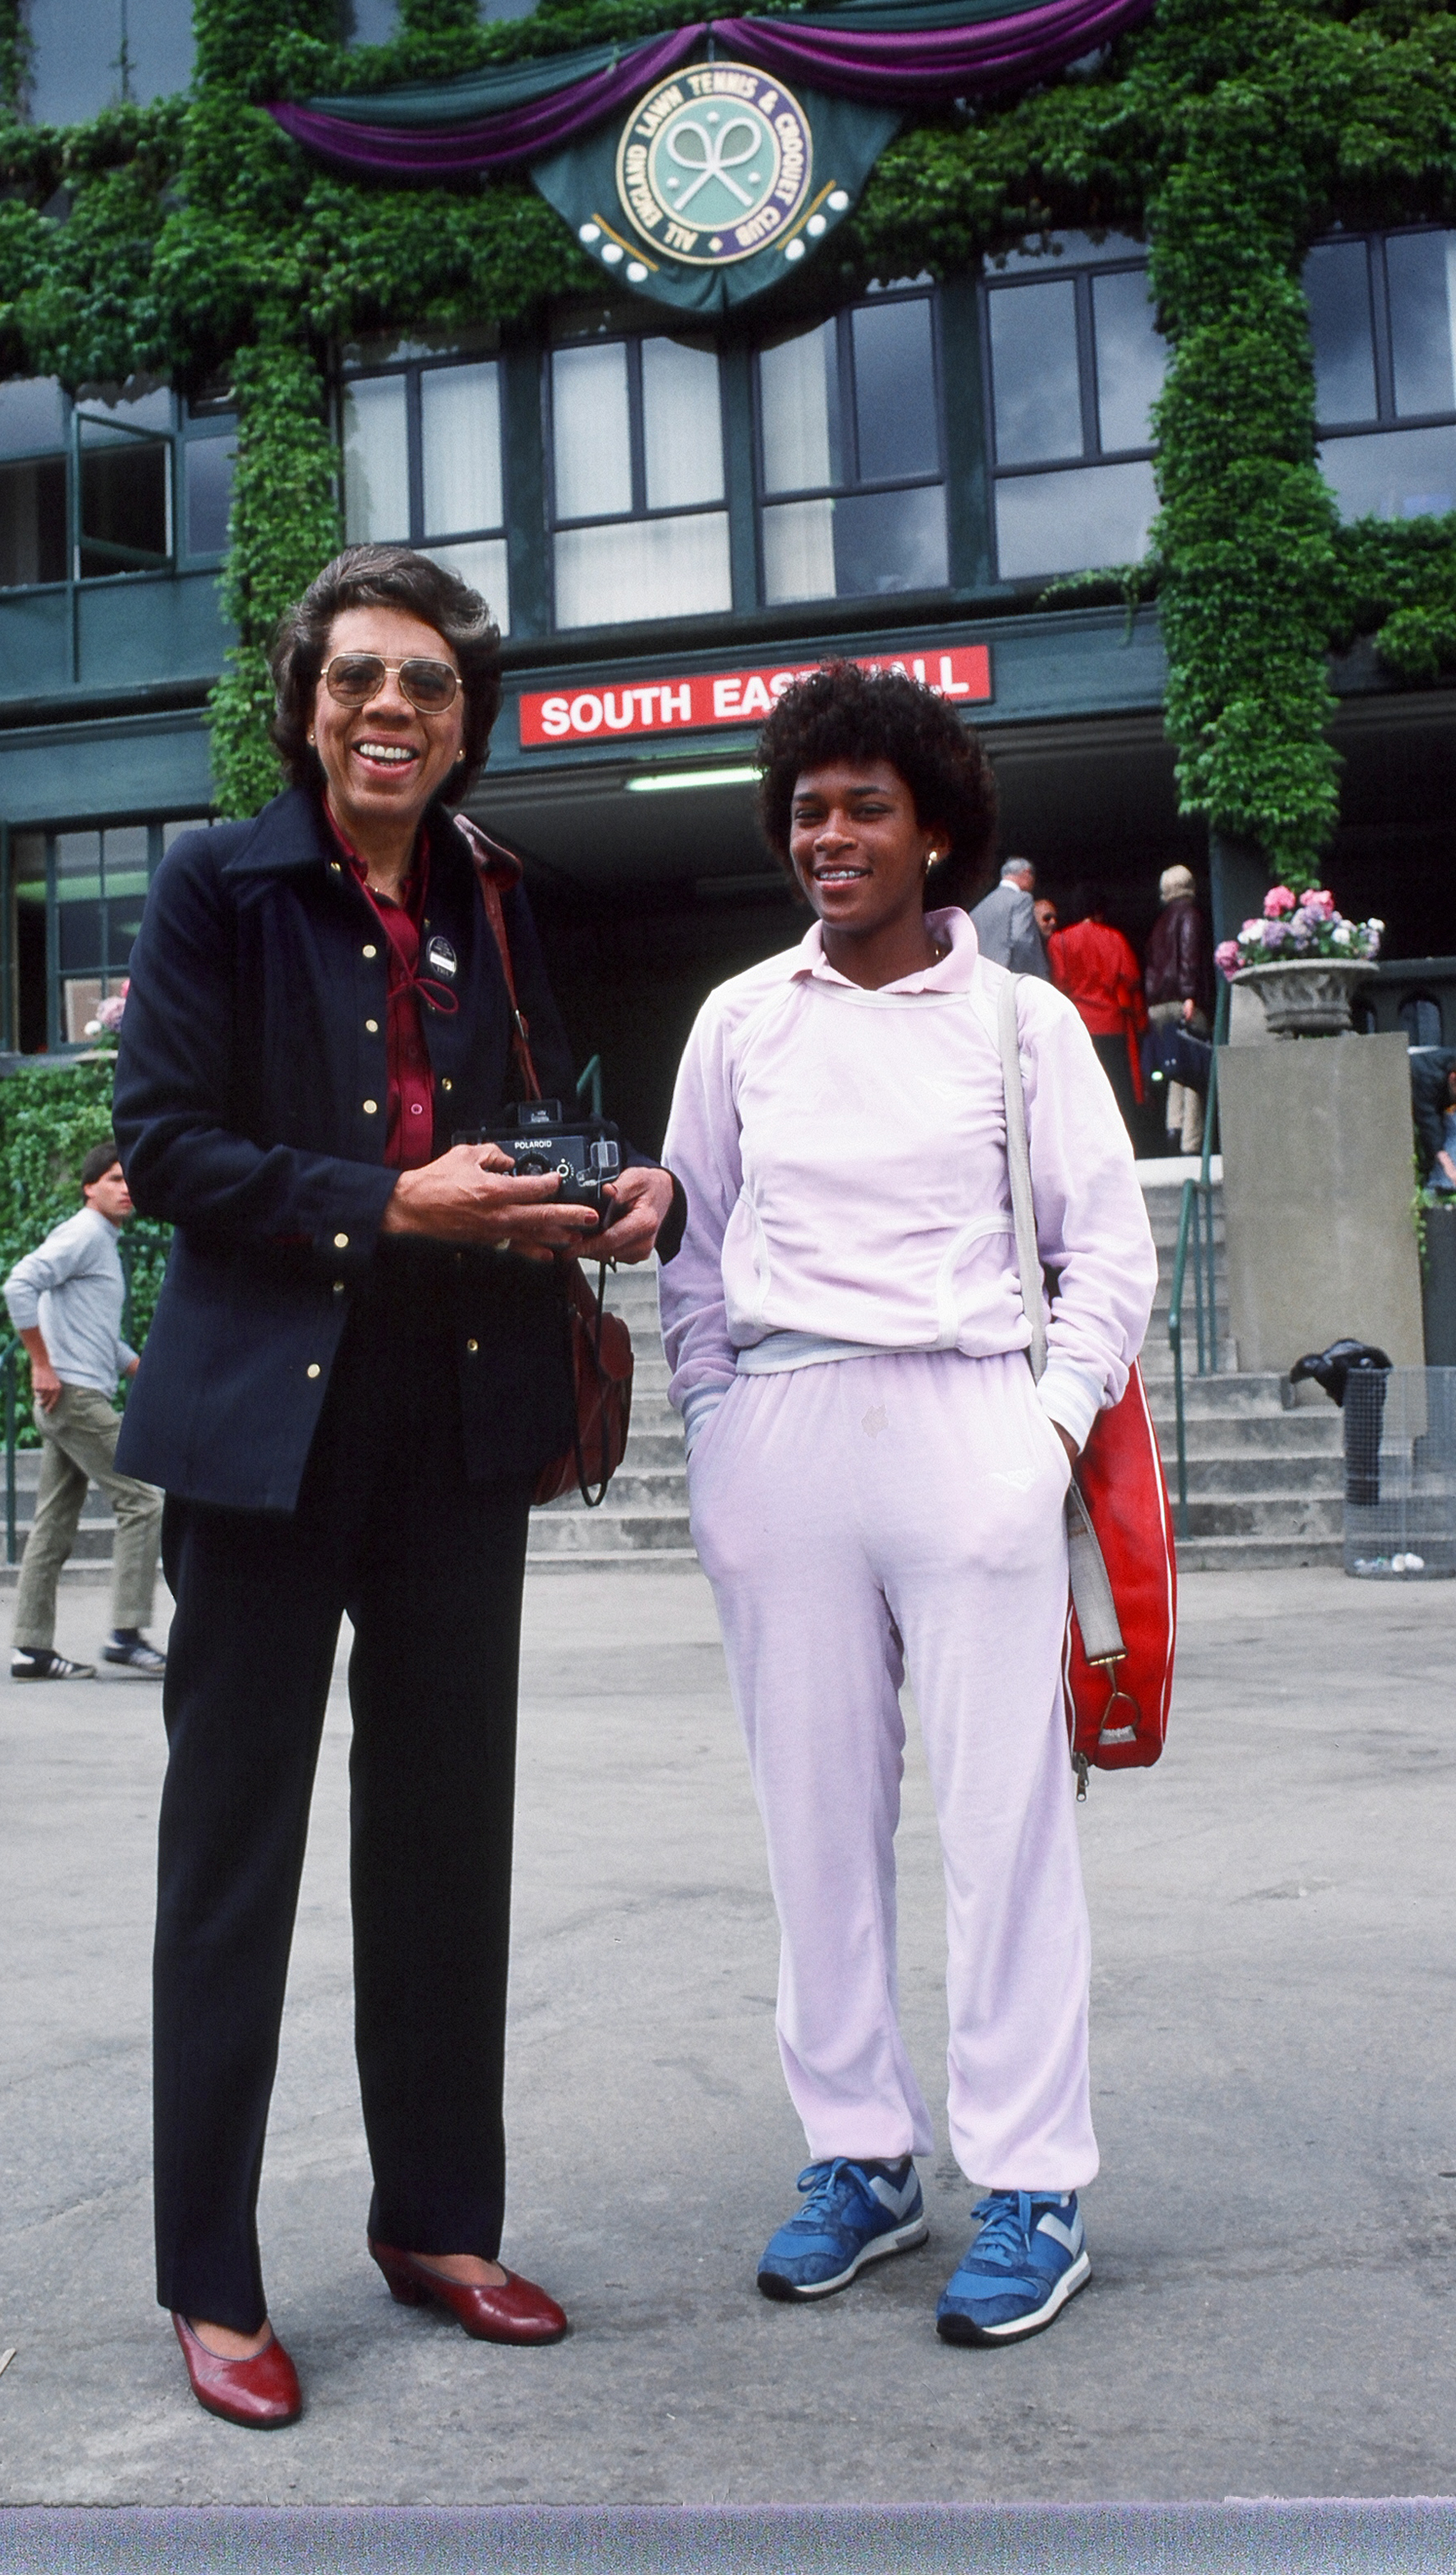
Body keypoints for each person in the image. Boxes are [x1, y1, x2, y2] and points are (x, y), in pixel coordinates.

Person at [112, 543, 681, 2431]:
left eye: (427, 687)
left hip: (461, 1417)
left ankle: (437, 2223)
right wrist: (388, 1202)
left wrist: (599, 1195)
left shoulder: (498, 897)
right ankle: (210, 2276)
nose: (390, 711)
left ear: (464, 723)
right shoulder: (219, 883)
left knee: (447, 1840)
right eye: (359, 677)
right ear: (307, 701)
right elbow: (168, 1148)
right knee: (235, 1860)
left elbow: (513, 1115)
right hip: (269, 1432)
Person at [658, 663, 1157, 2348]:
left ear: (935, 829)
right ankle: (861, 2157)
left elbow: (1112, 1253)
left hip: (973, 1421)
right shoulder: (740, 1019)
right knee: (816, 1820)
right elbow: (694, 1254)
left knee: (1005, 1821)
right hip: (784, 1430)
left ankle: (1032, 2183)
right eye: (807, 808)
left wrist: (1044, 1428)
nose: (831, 834)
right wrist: (716, 1429)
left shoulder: (1021, 1019)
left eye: (866, 805)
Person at [4, 1139, 165, 1681]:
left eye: (130, 1182)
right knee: (143, 1498)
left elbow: (99, 1336)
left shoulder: (102, 1240)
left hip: (76, 1390)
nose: (127, 1190)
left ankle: (30, 1648)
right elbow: (20, 1283)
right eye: (115, 1180)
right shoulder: (82, 1233)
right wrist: (40, 1364)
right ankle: (126, 1634)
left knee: (52, 1524)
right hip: (72, 1396)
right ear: (89, 1187)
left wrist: (145, 1369)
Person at [1045, 885, 1148, 1137]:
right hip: (1113, 1025)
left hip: (1079, 1026)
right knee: (1116, 1090)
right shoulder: (1115, 938)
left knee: (1081, 1092)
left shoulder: (1059, 941)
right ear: (1100, 911)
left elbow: (1059, 983)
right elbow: (1132, 977)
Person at [1142, 863, 1212, 1156]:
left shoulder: (1158, 923)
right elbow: (1189, 955)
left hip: (1158, 1004)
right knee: (1194, 1068)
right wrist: (1189, 995)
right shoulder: (1190, 916)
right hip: (1184, 1000)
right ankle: (1191, 1143)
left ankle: (1174, 1128)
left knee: (1175, 1068)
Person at [970, 856, 1050, 977]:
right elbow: (1022, 940)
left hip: (980, 977)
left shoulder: (980, 907)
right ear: (1027, 873)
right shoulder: (1022, 899)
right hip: (1008, 978)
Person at [1410, 1049, 1456, 1189]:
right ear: (1453, 1079)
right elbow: (1428, 1120)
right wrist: (1448, 1166)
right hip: (1411, 1090)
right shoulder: (1428, 1077)